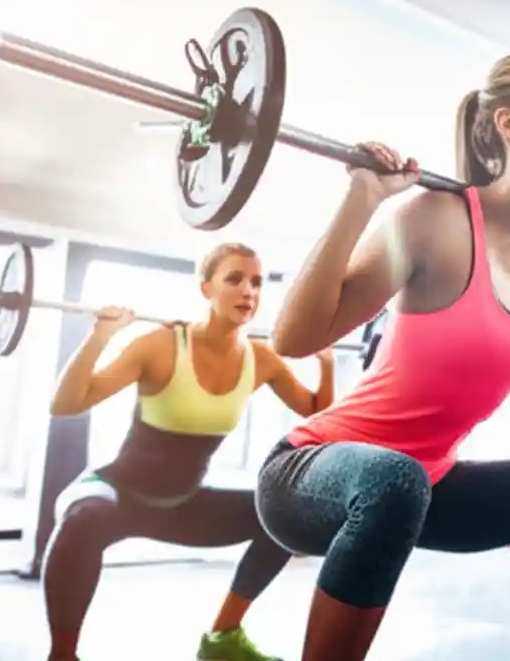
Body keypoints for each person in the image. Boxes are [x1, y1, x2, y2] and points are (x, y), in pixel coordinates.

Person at [256, 47, 510, 661]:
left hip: (425, 484)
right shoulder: (434, 218)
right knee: (395, 480)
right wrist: (363, 197)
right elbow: (294, 339)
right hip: (308, 475)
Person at [43, 242, 335, 661]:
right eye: (234, 279)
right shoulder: (161, 345)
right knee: (83, 521)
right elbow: (66, 404)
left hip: (181, 505)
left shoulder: (261, 357)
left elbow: (315, 412)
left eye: (256, 282)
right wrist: (99, 336)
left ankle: (223, 637)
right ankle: (62, 655)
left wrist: (325, 364)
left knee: (283, 518)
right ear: (205, 289)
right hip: (116, 494)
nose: (248, 291)